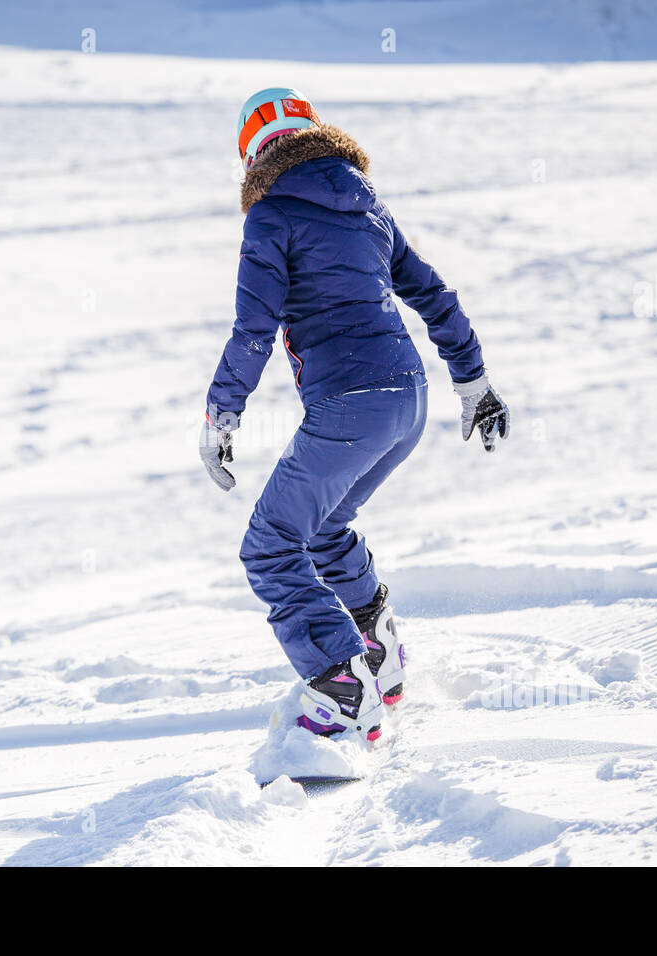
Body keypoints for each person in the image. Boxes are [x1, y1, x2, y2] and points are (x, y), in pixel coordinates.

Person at [199, 88, 509, 743]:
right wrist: (473, 380)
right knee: (324, 525)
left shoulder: (271, 215)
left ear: (253, 155)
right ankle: (379, 650)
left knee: (270, 544)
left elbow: (253, 330)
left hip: (353, 405)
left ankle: (340, 689)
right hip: (410, 401)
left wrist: (221, 415)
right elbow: (433, 295)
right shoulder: (369, 207)